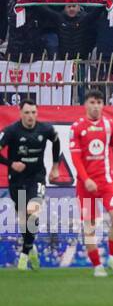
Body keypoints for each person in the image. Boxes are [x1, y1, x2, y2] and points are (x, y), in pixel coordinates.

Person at [69, 89, 113, 277]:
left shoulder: (110, 125)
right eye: (92, 102)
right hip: (84, 185)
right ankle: (97, 266)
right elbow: (75, 157)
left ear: (103, 105)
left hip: (106, 182)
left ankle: (112, 259)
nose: (96, 106)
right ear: (85, 104)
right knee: (90, 226)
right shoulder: (77, 127)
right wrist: (86, 179)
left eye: (99, 102)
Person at [0, 100, 65, 270]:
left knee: (33, 212)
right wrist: (10, 163)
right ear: (20, 113)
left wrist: (56, 167)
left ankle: (24, 254)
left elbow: (56, 141)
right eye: (27, 113)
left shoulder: (45, 129)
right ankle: (31, 248)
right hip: (17, 180)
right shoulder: (11, 131)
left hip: (37, 178)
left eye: (33, 112)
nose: (30, 116)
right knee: (24, 219)